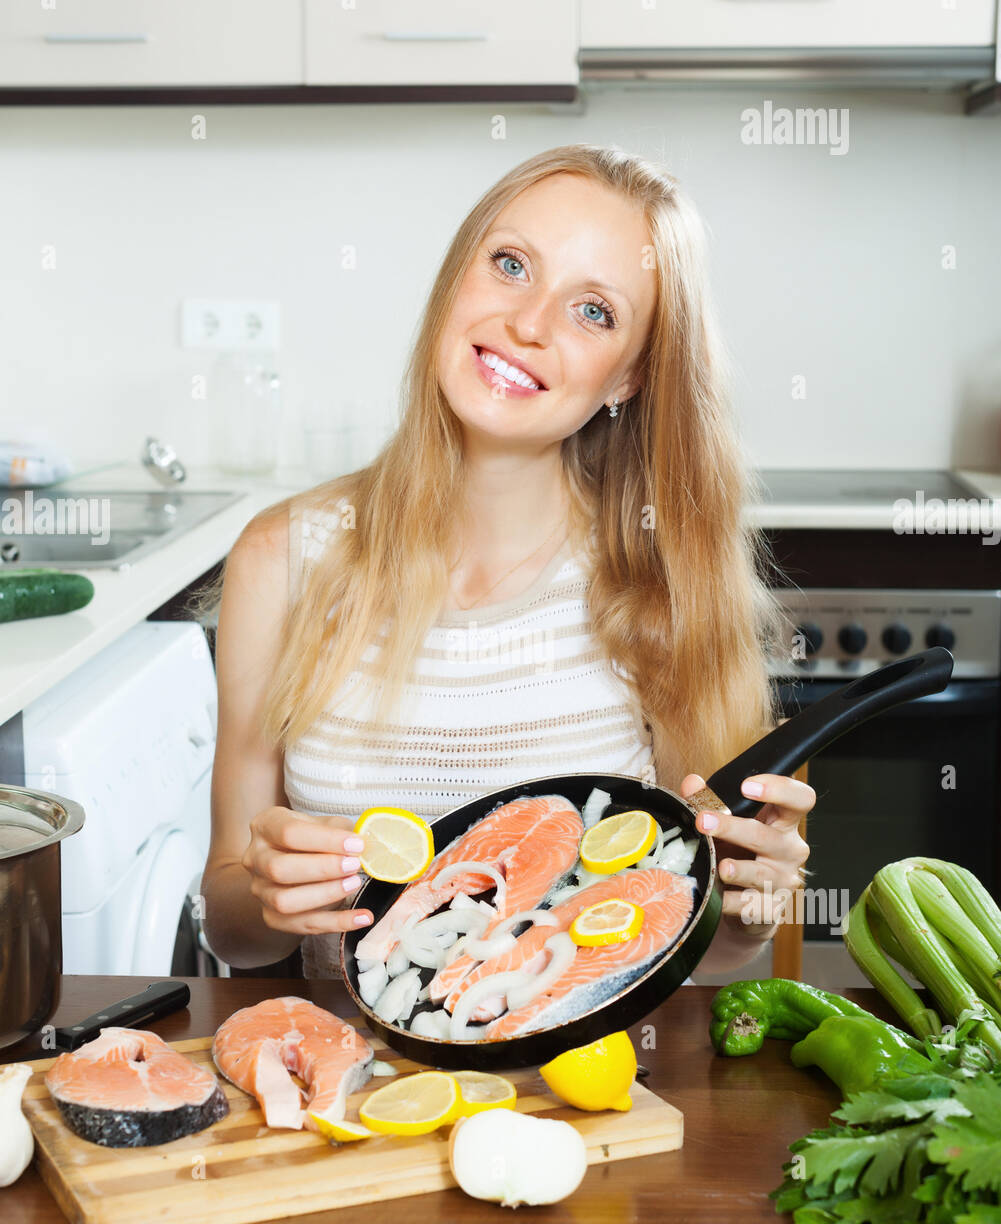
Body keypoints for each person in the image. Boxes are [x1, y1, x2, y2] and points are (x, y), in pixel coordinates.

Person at [198, 143, 815, 983]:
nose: (528, 323)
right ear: (458, 275)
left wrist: (750, 906)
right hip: (352, 1090)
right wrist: (266, 895)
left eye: (592, 310)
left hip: (579, 1084)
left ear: (627, 376)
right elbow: (233, 934)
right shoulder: (282, 558)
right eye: (511, 264)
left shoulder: (657, 580)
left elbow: (713, 952)